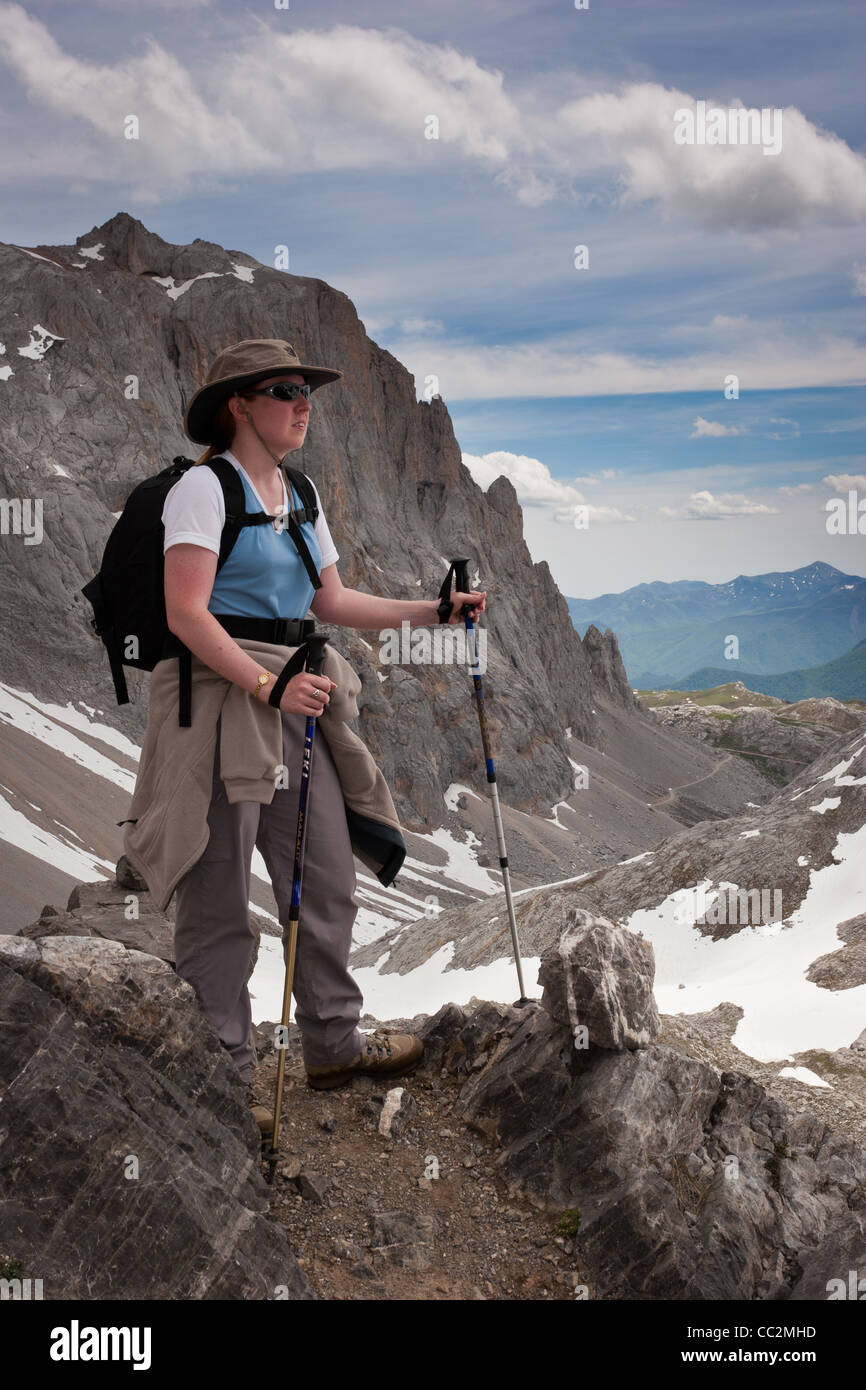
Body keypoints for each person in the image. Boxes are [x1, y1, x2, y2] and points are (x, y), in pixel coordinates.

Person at [158, 339, 487, 1133]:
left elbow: (330, 600)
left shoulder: (298, 491)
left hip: (296, 694)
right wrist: (268, 683)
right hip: (224, 697)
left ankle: (333, 1043)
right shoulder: (204, 490)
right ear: (239, 405)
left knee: (325, 873)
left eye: (307, 391)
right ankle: (226, 1083)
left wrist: (430, 613)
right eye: (284, 391)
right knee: (219, 894)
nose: (303, 403)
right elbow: (186, 614)